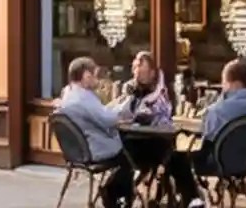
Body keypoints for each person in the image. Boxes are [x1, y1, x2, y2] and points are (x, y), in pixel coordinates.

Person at [169, 59, 246, 208]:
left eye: (224, 82)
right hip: (245, 163)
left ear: (233, 84)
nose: (222, 87)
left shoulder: (218, 111)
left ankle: (192, 200)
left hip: (217, 162)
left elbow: (208, 138)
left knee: (175, 158)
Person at [56, 56, 135, 208]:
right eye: (96, 75)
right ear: (86, 76)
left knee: (125, 155)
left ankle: (113, 194)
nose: (98, 80)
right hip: (95, 149)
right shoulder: (84, 98)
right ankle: (114, 196)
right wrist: (124, 106)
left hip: (77, 152)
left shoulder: (68, 93)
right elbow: (107, 119)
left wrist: (111, 108)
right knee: (129, 155)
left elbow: (98, 114)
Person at [121, 51, 173, 126]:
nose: (137, 71)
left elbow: (158, 117)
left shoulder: (159, 96)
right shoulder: (132, 91)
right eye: (135, 68)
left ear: (152, 73)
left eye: (140, 66)